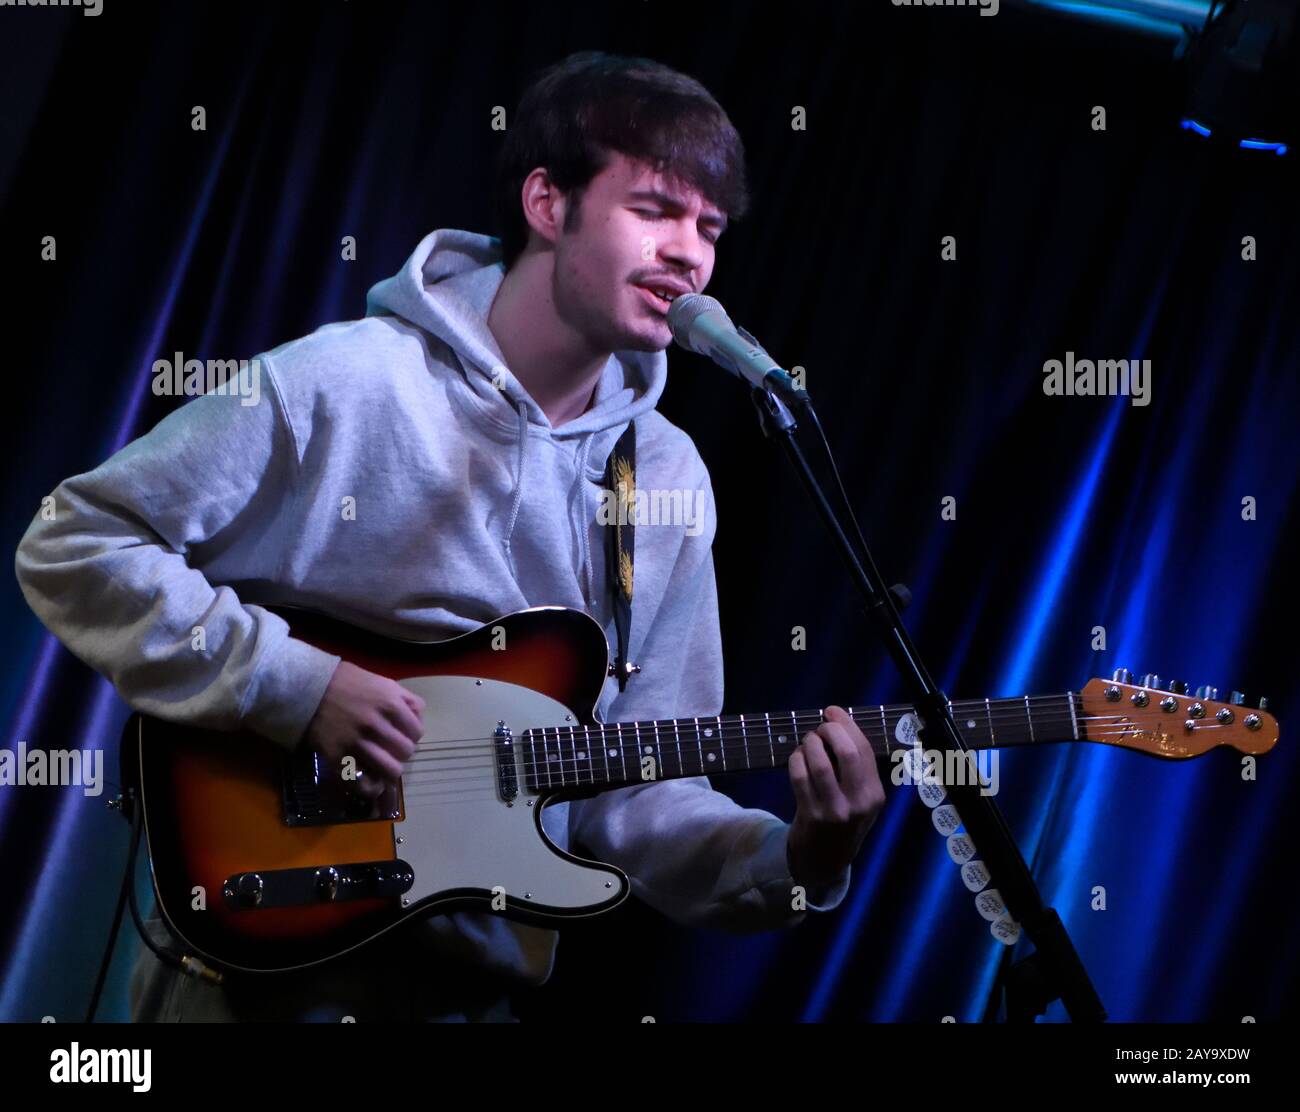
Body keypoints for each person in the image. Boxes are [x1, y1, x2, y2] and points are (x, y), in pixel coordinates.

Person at [15, 50, 886, 1022]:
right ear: (548, 204)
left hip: (466, 995)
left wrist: (800, 857)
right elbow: (77, 538)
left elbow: (638, 793)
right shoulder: (352, 379)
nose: (691, 251)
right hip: (253, 979)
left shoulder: (665, 473)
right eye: (654, 208)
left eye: (710, 227)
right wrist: (297, 684)